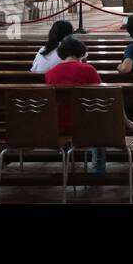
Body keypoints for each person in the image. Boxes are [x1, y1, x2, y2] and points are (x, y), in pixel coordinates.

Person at [44, 35, 106, 173]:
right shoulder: (88, 70)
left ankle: (67, 164)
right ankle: (98, 170)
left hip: (57, 125)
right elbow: (102, 95)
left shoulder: (50, 73)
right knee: (101, 117)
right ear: (82, 52)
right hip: (85, 125)